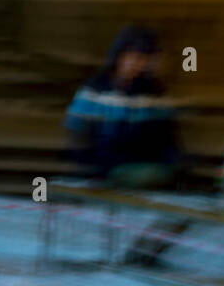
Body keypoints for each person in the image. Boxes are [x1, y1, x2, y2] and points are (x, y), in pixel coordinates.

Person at [64, 24, 181, 189]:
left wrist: (173, 163)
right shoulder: (94, 91)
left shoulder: (154, 93)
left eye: (143, 59)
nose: (136, 64)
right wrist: (95, 169)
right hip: (102, 172)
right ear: (119, 56)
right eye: (132, 57)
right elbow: (78, 137)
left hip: (144, 171)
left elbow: (168, 137)